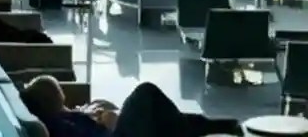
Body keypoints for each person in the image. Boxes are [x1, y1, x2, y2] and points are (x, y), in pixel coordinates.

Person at [19, 75, 242, 137]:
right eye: (60, 94)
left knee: (161, 117)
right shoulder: (58, 124)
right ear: (51, 100)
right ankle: (216, 126)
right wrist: (108, 122)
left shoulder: (59, 118)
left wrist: (88, 112)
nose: (65, 98)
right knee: (145, 93)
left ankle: (218, 127)